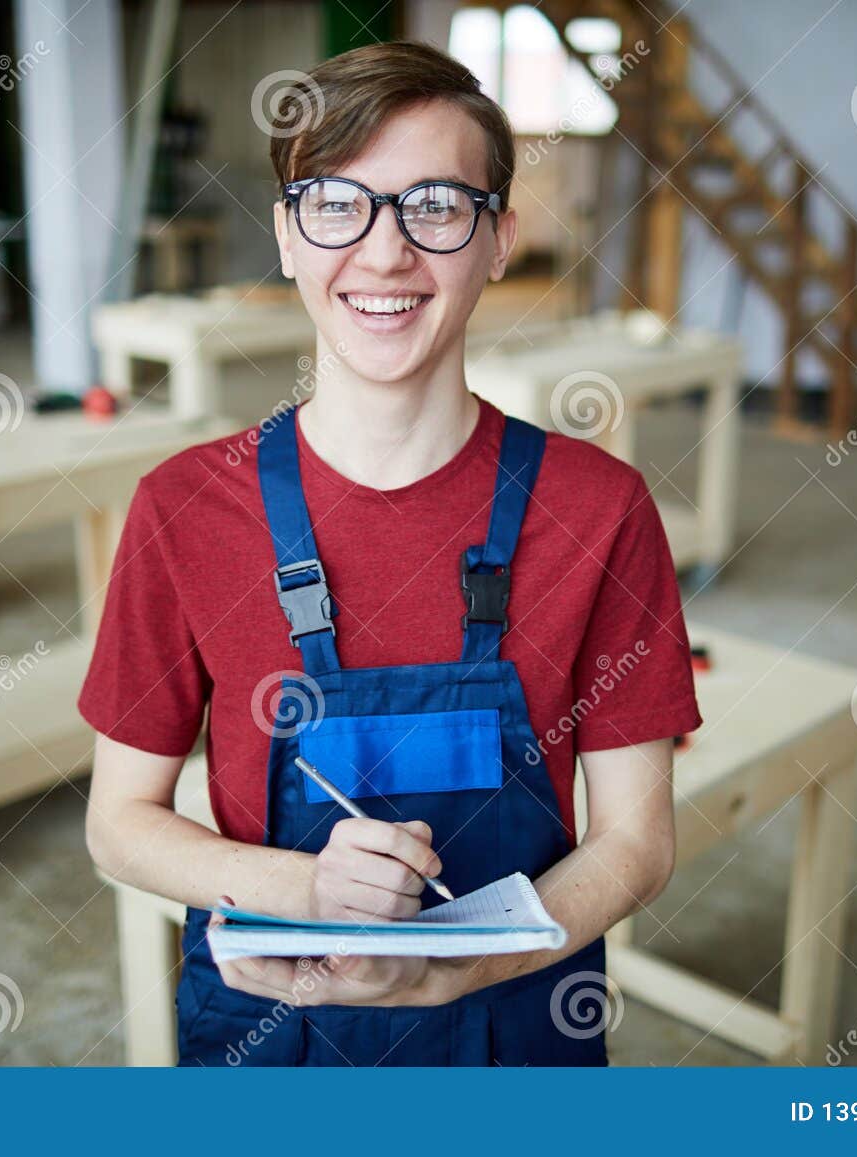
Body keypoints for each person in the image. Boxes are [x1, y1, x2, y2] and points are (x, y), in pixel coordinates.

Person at [80, 39, 702, 1067]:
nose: (382, 254)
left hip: (516, 1032)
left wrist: (461, 966)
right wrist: (303, 888)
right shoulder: (182, 508)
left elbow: (635, 842)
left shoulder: (602, 509)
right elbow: (119, 822)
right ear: (286, 235)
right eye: (336, 203)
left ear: (497, 238)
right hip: (269, 1038)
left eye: (435, 206)